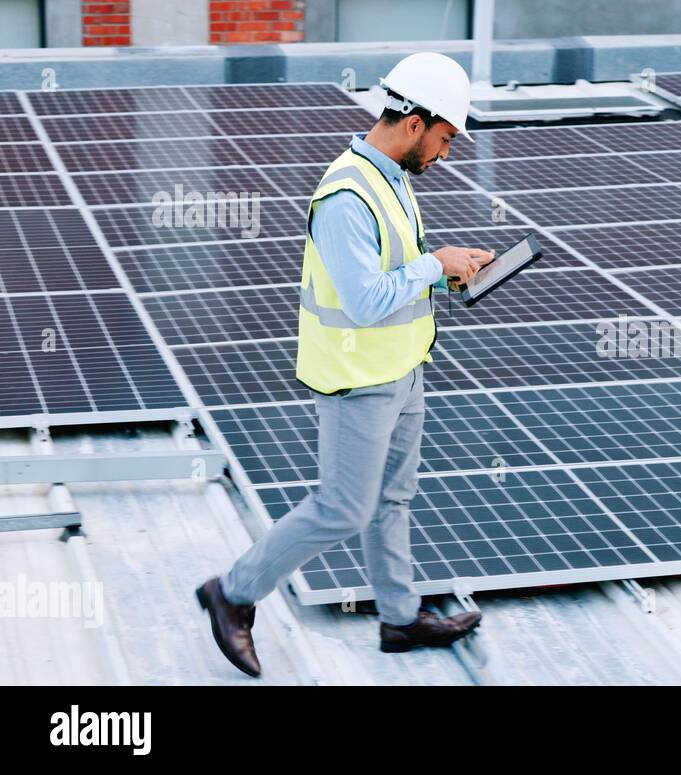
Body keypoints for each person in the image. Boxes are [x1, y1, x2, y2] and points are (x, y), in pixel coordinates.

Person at [197, 52, 493, 677]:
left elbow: (396, 277)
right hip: (357, 379)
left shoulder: (391, 178)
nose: (446, 153)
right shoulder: (345, 195)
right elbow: (363, 302)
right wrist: (433, 265)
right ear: (414, 123)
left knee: (393, 498)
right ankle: (233, 593)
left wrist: (449, 273)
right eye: (444, 138)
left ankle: (399, 618)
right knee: (342, 507)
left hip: (402, 368)